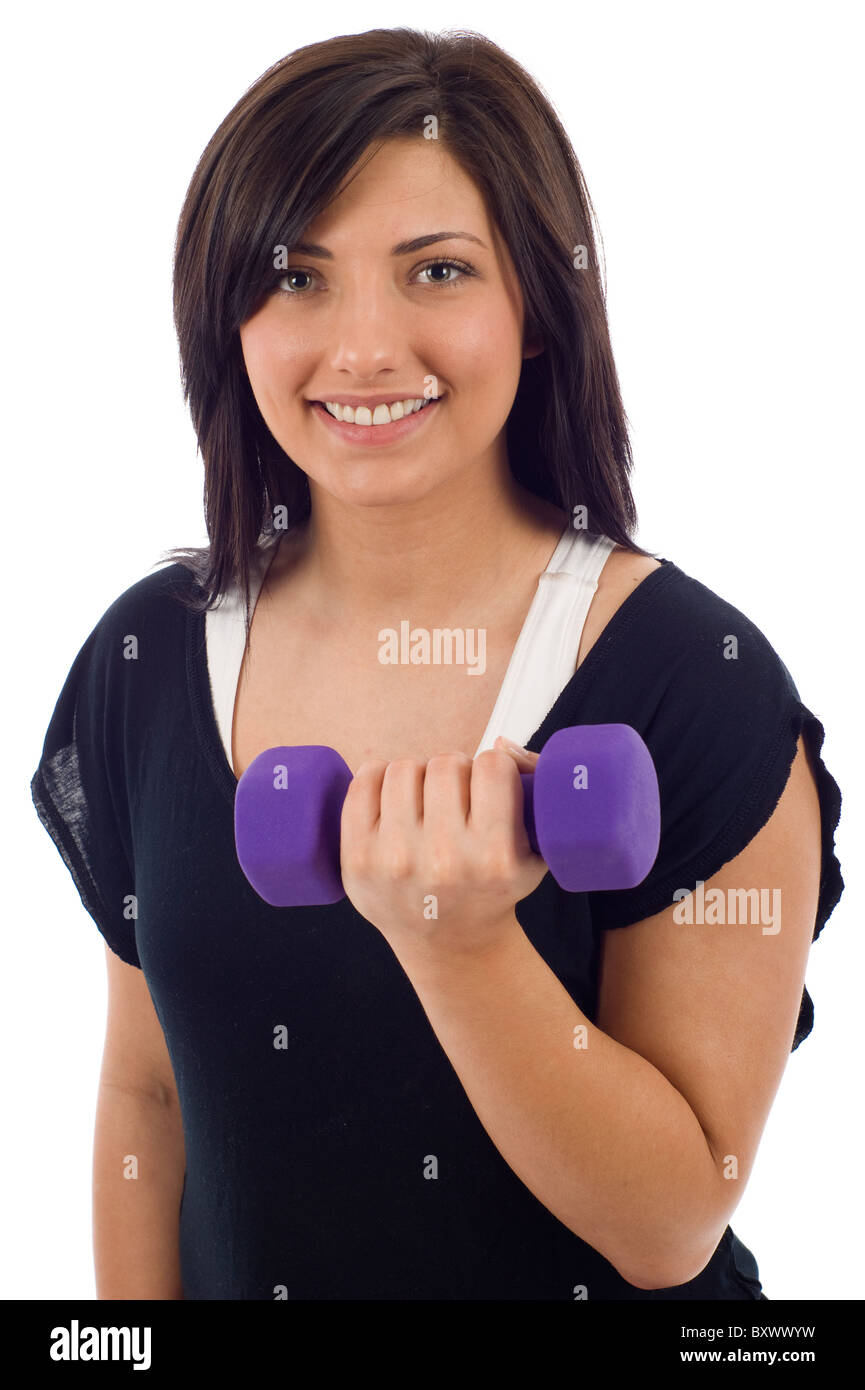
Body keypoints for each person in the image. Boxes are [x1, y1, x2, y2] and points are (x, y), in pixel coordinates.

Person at [31, 28, 843, 1301]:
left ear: (536, 310)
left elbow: (671, 1223)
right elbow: (149, 1092)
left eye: (437, 271)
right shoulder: (148, 659)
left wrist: (459, 944)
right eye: (296, 277)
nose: (361, 347)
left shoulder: (697, 683)